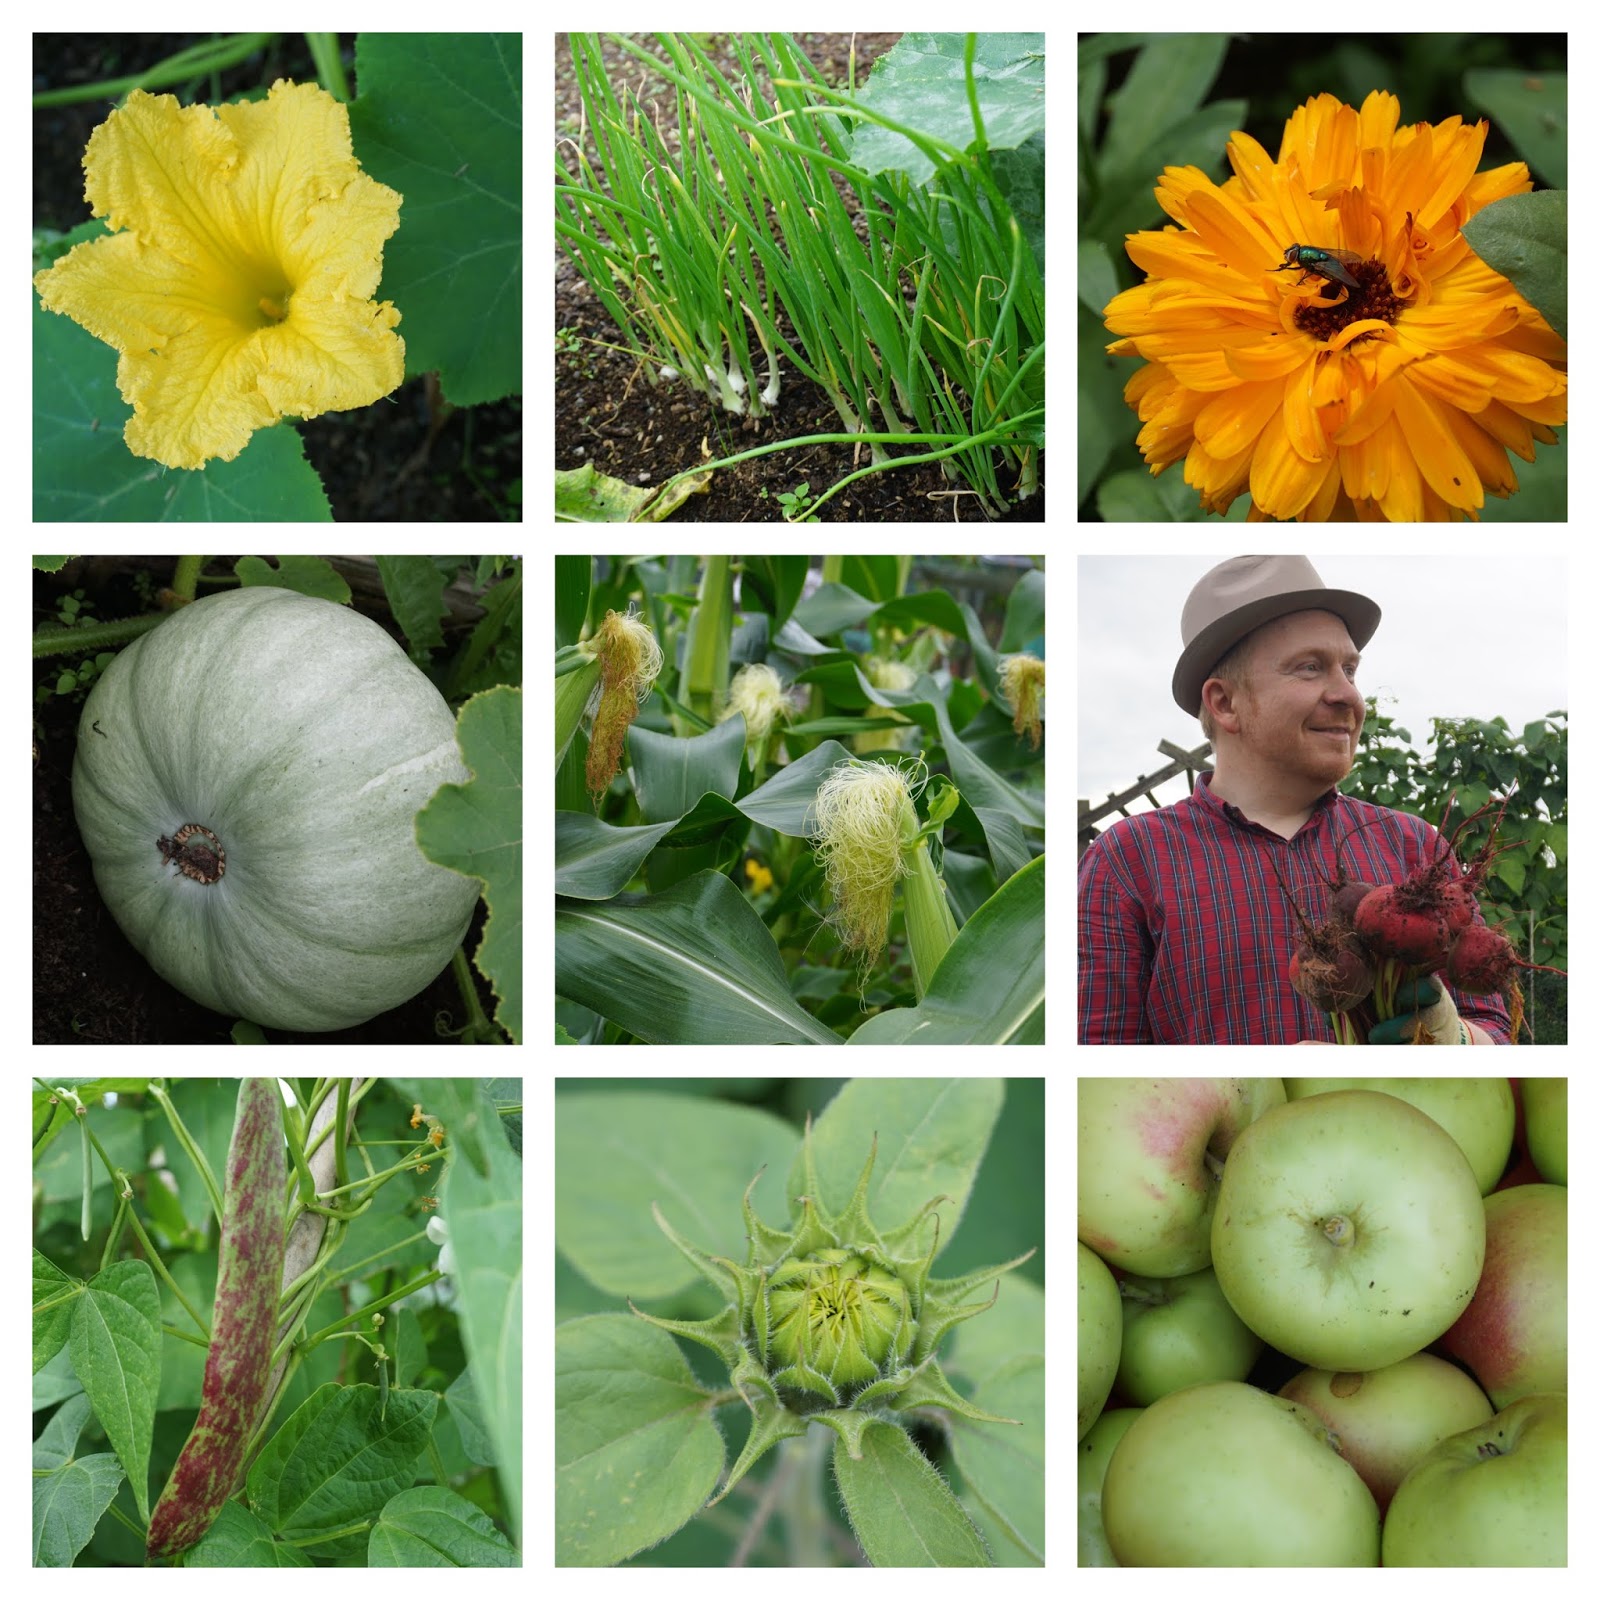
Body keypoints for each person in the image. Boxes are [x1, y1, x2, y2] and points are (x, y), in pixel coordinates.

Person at [1078, 555, 1511, 1044]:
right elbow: (1099, 1054)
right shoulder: (1129, 859)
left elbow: (1498, 1027)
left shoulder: (1414, 843)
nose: (1348, 696)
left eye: (1350, 669)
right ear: (1224, 703)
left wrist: (1458, 1041)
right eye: (1310, 669)